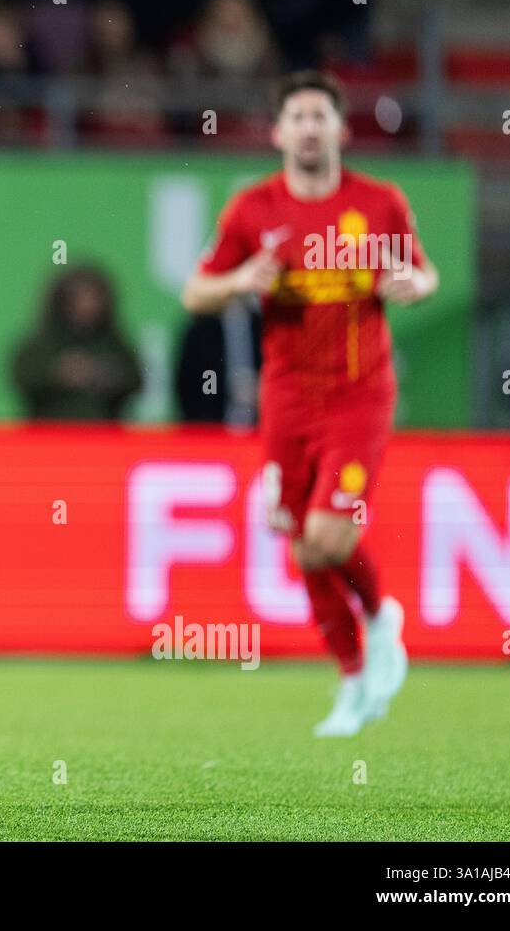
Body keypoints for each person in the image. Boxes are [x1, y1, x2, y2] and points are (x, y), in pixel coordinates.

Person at [181, 70, 438, 737]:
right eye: (296, 116)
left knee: (328, 536)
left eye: (320, 116)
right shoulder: (252, 210)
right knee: (302, 549)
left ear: (341, 129)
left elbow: (422, 269)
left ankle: (381, 619)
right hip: (287, 398)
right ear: (278, 132)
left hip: (359, 396)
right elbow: (195, 294)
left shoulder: (380, 204)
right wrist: (241, 279)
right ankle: (353, 677)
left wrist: (415, 282)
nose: (309, 127)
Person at [12, 267, 143, 420]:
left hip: (102, 434)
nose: (88, 306)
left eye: (93, 298)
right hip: (51, 434)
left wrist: (104, 374)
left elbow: (135, 379)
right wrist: (59, 372)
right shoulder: (43, 343)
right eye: (80, 299)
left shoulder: (113, 342)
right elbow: (23, 375)